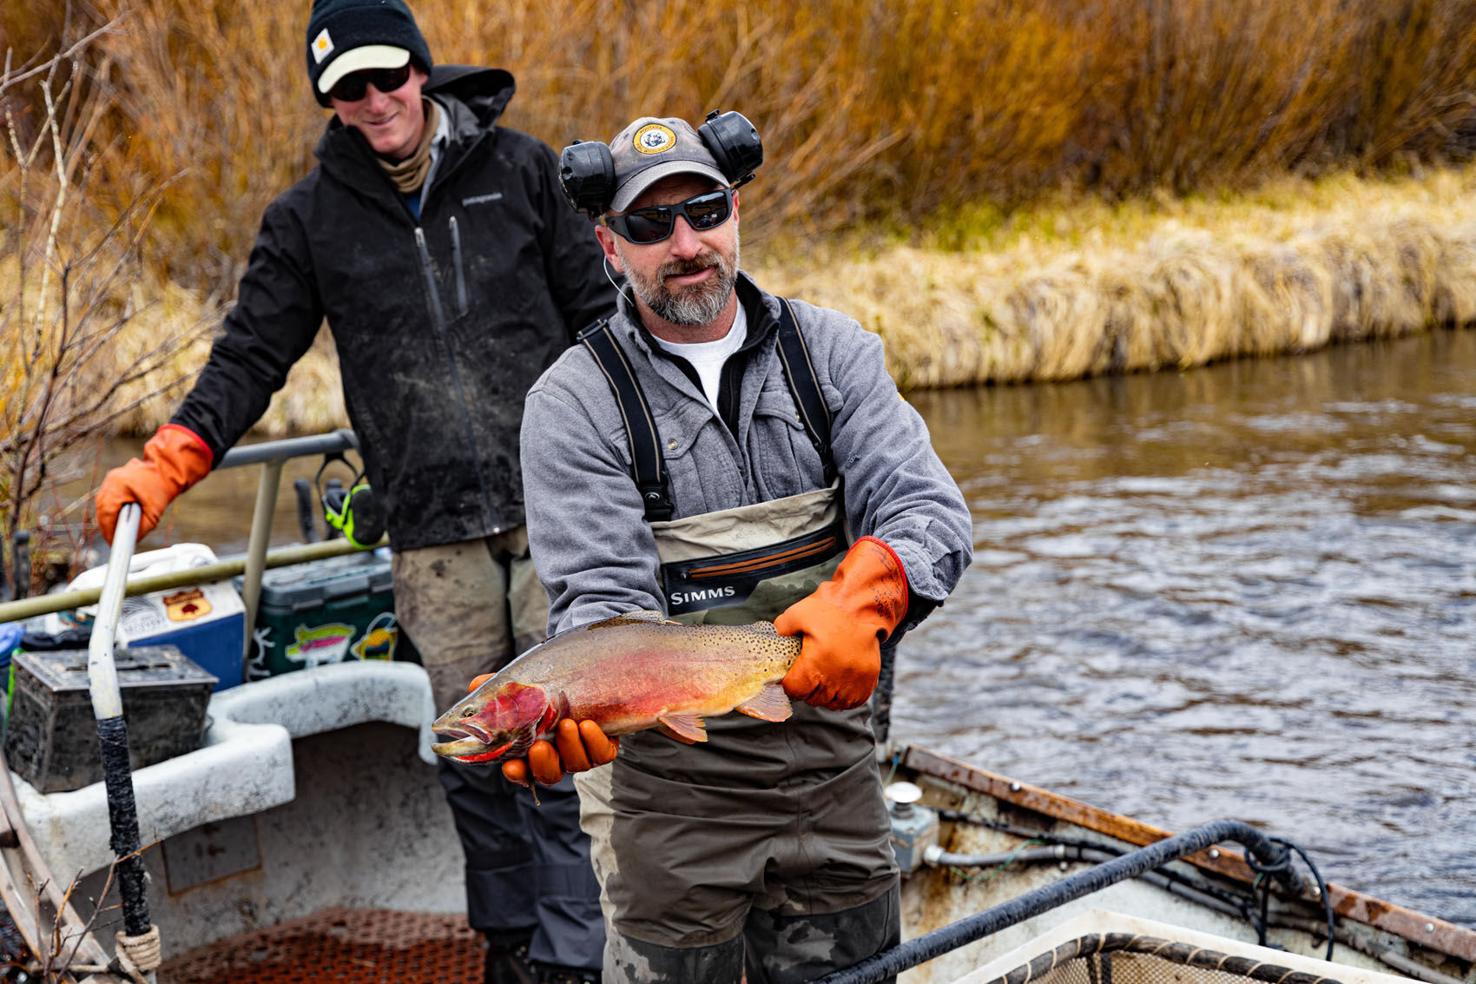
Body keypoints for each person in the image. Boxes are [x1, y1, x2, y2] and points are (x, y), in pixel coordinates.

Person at [93, 2, 613, 981]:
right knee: (476, 753)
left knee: (561, 746)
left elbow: (598, 318)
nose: (376, 103)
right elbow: (250, 357)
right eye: (349, 90)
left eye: (388, 78)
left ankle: (574, 963)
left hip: (561, 511)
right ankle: (510, 952)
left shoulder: (523, 171)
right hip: (431, 537)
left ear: (422, 71)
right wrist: (168, 460)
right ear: (330, 103)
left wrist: (641, 462)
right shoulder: (308, 220)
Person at [496, 113, 975, 982]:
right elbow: (602, 599)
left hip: (833, 776)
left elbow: (926, 509)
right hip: (666, 807)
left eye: (705, 211)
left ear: (737, 211)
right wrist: (581, 696)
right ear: (610, 245)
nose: (685, 243)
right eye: (650, 224)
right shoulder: (571, 404)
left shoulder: (833, 354)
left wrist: (868, 593)